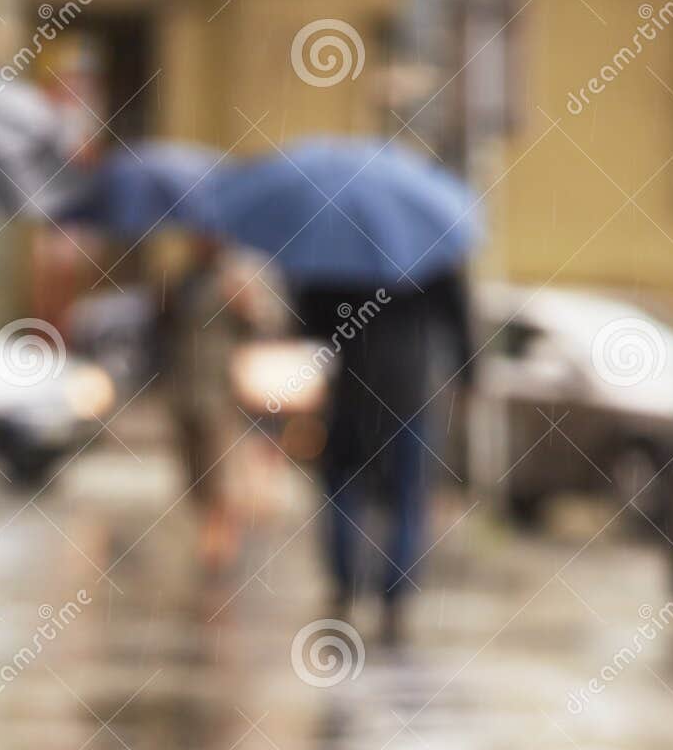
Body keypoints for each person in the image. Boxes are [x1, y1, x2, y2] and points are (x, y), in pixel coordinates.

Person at [299, 269, 476, 643]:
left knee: (345, 487)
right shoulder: (431, 250)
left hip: (353, 391)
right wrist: (469, 376)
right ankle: (394, 599)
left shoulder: (340, 249)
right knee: (408, 498)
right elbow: (457, 316)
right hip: (408, 394)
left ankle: (345, 585)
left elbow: (312, 320)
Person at [158, 237, 282, 575]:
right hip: (185, 387)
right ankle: (208, 527)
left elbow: (272, 323)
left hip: (223, 390)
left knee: (221, 466)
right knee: (193, 467)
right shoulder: (185, 278)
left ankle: (221, 535)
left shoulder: (244, 274)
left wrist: (247, 306)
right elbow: (165, 328)